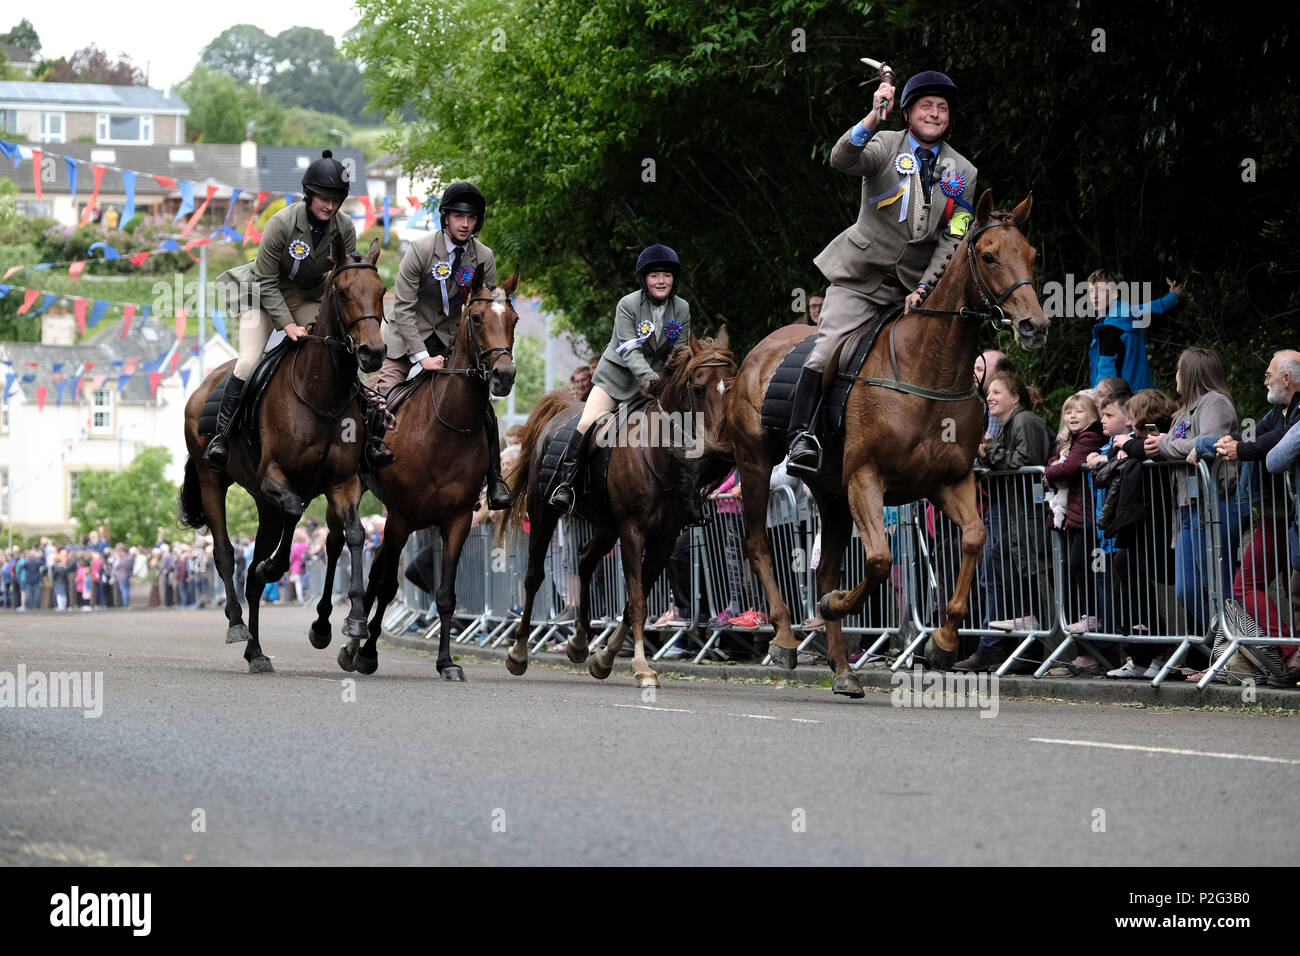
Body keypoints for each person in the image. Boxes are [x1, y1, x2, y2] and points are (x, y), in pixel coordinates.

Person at [788, 69, 978, 475]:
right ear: (907, 112)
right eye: (926, 106)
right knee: (826, 350)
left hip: (913, 288)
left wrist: (926, 288)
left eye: (942, 108)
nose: (934, 113)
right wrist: (874, 115)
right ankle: (802, 435)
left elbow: (955, 236)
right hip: (859, 280)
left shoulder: (964, 172)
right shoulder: (886, 145)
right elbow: (843, 159)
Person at [206, 150, 390, 473]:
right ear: (309, 195)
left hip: (306, 296)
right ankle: (221, 436)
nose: (330, 206)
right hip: (262, 294)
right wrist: (287, 325)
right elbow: (265, 279)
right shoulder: (281, 224)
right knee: (249, 361)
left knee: (339, 349)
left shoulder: (344, 228)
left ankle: (366, 441)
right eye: (323, 198)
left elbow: (343, 275)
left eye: (336, 199)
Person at [378, 181, 509, 505]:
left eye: (472, 218)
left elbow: (484, 308)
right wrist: (421, 356)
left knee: (482, 406)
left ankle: (494, 478)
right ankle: (364, 460)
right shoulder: (421, 250)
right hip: (409, 335)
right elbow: (404, 307)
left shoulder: (484, 257)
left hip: (453, 341)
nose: (465, 224)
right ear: (446, 218)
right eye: (458, 217)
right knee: (382, 395)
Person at [548, 244, 693, 515]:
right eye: (654, 275)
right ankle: (566, 485)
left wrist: (668, 384)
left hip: (659, 383)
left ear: (674, 279)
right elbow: (629, 350)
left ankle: (689, 492)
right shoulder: (627, 304)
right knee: (588, 423)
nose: (661, 281)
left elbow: (681, 353)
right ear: (644, 279)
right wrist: (653, 382)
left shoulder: (682, 308)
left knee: (687, 423)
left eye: (667, 275)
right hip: (617, 379)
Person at [958, 370, 1051, 670]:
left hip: (1022, 516)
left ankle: (1009, 649)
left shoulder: (1024, 421)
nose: (991, 397)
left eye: (997, 392)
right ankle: (999, 646)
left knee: (1015, 581)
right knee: (997, 577)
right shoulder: (1009, 425)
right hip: (1006, 513)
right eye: (989, 393)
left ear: (1015, 397)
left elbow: (1024, 463)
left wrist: (989, 446)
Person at [1144, 347, 1242, 634]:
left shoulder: (1216, 402)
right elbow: (1181, 445)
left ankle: (1239, 652)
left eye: (1178, 369)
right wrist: (1161, 445)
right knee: (1187, 589)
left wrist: (1163, 445)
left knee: (1217, 586)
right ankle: (1221, 646)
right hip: (1187, 508)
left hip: (1215, 505)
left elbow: (1210, 442)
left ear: (1190, 373)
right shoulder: (1182, 411)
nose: (1175, 375)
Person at [1098, 389, 1182, 679]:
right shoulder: (1139, 436)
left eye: (1132, 415)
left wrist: (1128, 445)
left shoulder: (1156, 432)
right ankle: (1145, 653)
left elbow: (1148, 447)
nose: (1130, 420)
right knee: (1124, 565)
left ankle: (1168, 651)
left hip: (1161, 525)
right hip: (1139, 527)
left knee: (1142, 570)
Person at [1043, 393, 1105, 638]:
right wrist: (1053, 468)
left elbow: (1067, 468)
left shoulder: (1090, 438)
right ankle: (1090, 615)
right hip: (1075, 513)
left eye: (1079, 411)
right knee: (1076, 563)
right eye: (1068, 412)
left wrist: (1050, 471)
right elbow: (1055, 460)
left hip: (1088, 513)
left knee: (1082, 562)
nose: (1072, 416)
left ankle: (1096, 615)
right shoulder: (1068, 441)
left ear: (1092, 415)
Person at [1087, 270, 1182, 391]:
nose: (1094, 296)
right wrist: (1173, 295)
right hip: (1144, 395)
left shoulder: (1109, 329)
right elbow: (1158, 305)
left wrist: (1096, 395)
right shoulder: (1130, 312)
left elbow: (1106, 374)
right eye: (1091, 291)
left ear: (1115, 294)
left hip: (1121, 400)